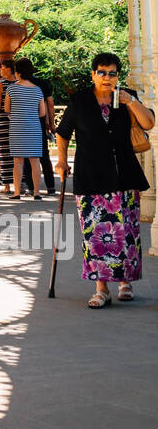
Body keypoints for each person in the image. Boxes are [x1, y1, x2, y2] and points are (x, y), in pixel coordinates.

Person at [55, 52, 154, 308]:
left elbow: (149, 123)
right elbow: (63, 133)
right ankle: (101, 288)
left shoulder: (126, 97)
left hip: (124, 175)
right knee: (96, 233)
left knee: (126, 232)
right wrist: (62, 160)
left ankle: (125, 282)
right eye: (102, 72)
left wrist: (131, 102)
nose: (107, 78)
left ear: (118, 76)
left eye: (112, 73)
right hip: (91, 175)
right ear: (93, 74)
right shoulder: (80, 101)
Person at [5, 58, 46, 199]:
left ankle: (17, 192)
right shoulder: (38, 90)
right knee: (35, 161)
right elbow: (42, 112)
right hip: (34, 128)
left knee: (18, 161)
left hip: (17, 128)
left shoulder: (11, 88)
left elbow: (6, 109)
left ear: (18, 72)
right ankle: (36, 193)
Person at [16, 57, 56, 195]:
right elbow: (50, 105)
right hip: (39, 124)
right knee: (44, 155)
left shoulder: (18, 85)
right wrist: (51, 123)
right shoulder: (43, 84)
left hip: (21, 125)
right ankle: (50, 187)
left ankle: (32, 187)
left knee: (26, 157)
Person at [0, 59, 17, 195]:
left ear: (9, 69)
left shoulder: (1, 85)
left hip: (3, 120)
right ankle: (20, 182)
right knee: (17, 153)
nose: (0, 70)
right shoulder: (20, 84)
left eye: (2, 67)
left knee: (4, 152)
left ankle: (7, 185)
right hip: (17, 121)